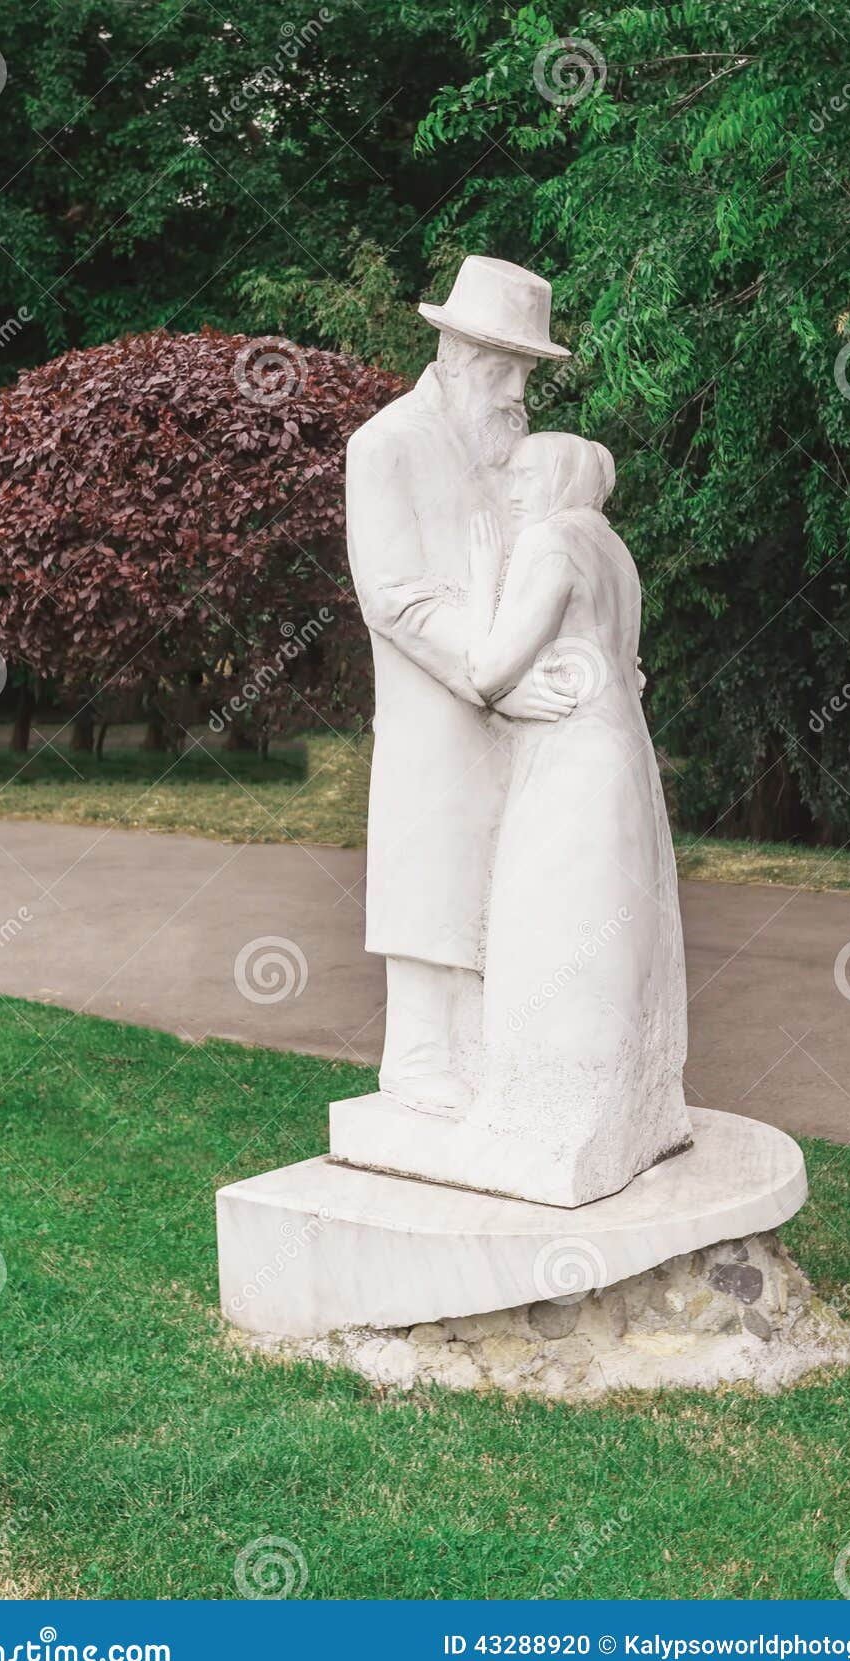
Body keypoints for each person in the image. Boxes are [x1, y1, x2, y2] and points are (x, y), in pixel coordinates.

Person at [345, 256, 577, 1116]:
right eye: (501, 364)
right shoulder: (384, 445)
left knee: (498, 874)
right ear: (449, 351)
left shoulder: (510, 447)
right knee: (431, 866)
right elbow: (395, 597)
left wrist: (552, 656)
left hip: (516, 697)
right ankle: (414, 1059)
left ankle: (488, 1045)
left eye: (525, 368)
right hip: (432, 702)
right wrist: (493, 676)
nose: (516, 386)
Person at [461, 431, 693, 1197]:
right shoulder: (611, 549)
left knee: (558, 920)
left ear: (560, 476)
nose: (514, 486)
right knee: (615, 919)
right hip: (620, 749)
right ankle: (632, 1105)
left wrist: (474, 583)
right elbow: (626, 664)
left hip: (569, 758)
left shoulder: (552, 543)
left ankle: (559, 1112)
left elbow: (492, 665)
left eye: (526, 472)